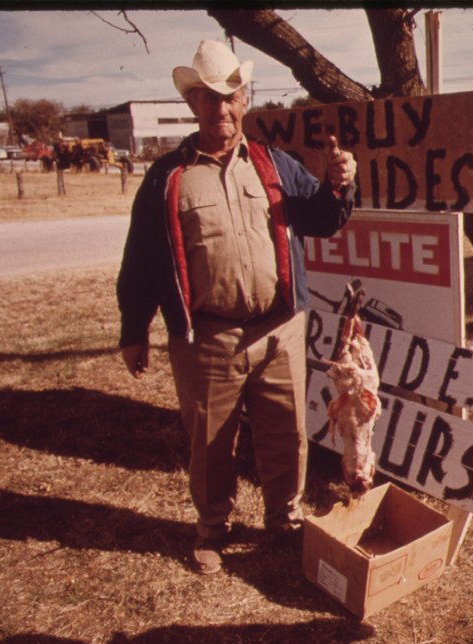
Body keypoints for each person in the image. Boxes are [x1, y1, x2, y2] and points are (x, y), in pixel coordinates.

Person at [116, 40, 357, 575]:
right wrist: (134, 330)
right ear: (192, 104)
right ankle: (212, 529)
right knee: (210, 440)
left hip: (280, 331)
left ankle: (284, 517)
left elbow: (320, 219)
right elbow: (142, 260)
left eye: (230, 96)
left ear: (245, 100)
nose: (220, 109)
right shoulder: (166, 177)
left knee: (286, 432)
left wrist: (339, 185)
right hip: (207, 338)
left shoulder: (274, 164)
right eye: (207, 98)